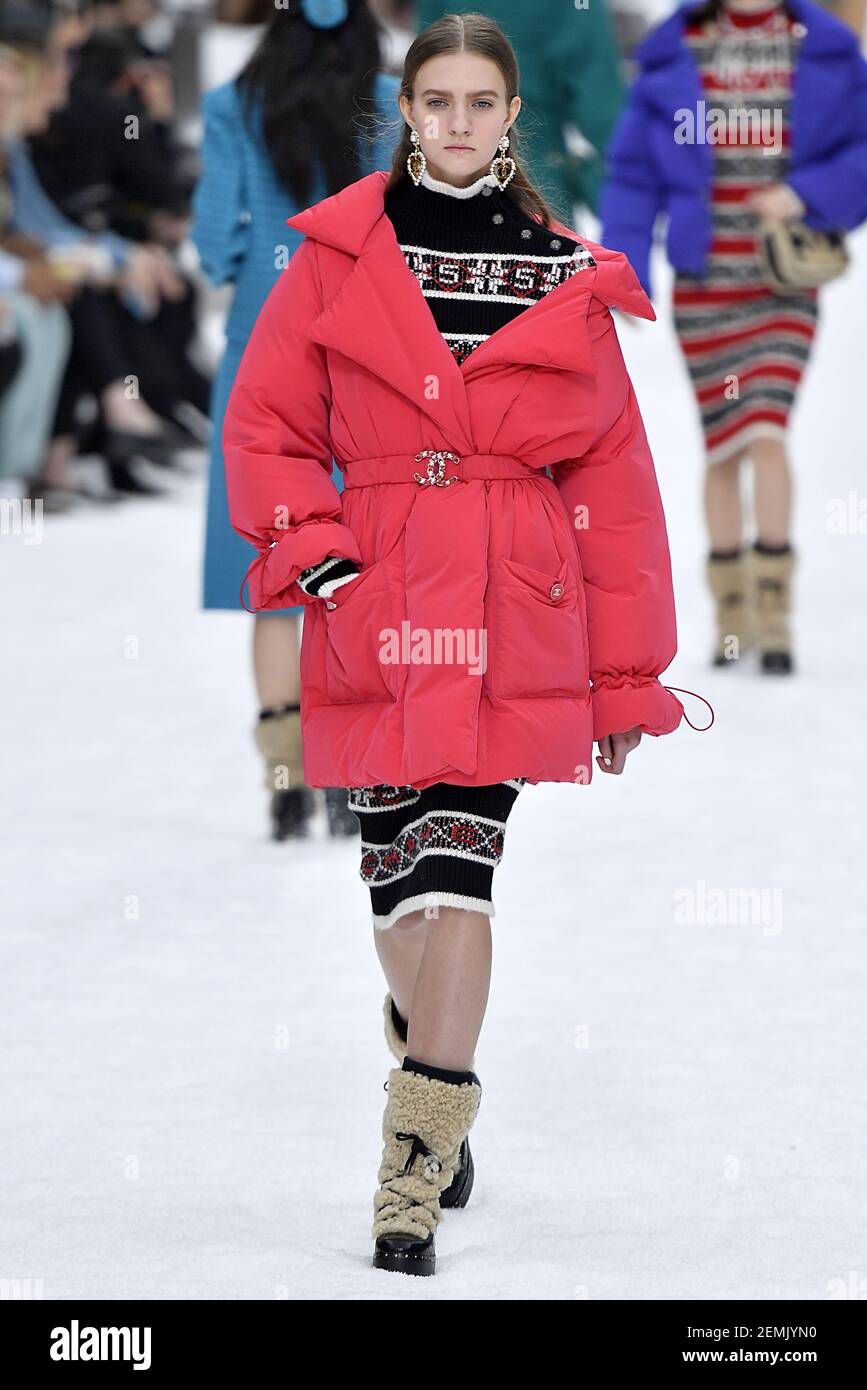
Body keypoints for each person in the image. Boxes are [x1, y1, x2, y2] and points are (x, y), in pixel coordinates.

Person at [223, 10, 693, 1278]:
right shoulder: (340, 252)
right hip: (375, 594)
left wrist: (623, 679)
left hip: (509, 600)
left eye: (485, 102)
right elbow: (266, 420)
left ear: (512, 116)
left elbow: (617, 486)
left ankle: (412, 1163)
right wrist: (313, 548)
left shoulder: (558, 266)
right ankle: (422, 1036)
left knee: (459, 873)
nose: (462, 123)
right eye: (441, 101)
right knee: (394, 889)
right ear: (409, 111)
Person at [600, 0, 867, 673]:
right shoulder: (675, 52)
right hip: (704, 283)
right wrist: (624, 268)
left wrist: (803, 191)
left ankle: (774, 609)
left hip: (780, 281)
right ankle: (730, 609)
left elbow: (859, 148)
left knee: (765, 429)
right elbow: (631, 171)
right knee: (721, 445)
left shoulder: (820, 49)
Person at [191, 0, 400, 841]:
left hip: (259, 337)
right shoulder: (390, 102)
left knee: (274, 563)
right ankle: (347, 764)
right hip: (358, 342)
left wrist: (249, 268)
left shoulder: (231, 106)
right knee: (358, 556)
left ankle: (284, 772)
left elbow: (212, 242)